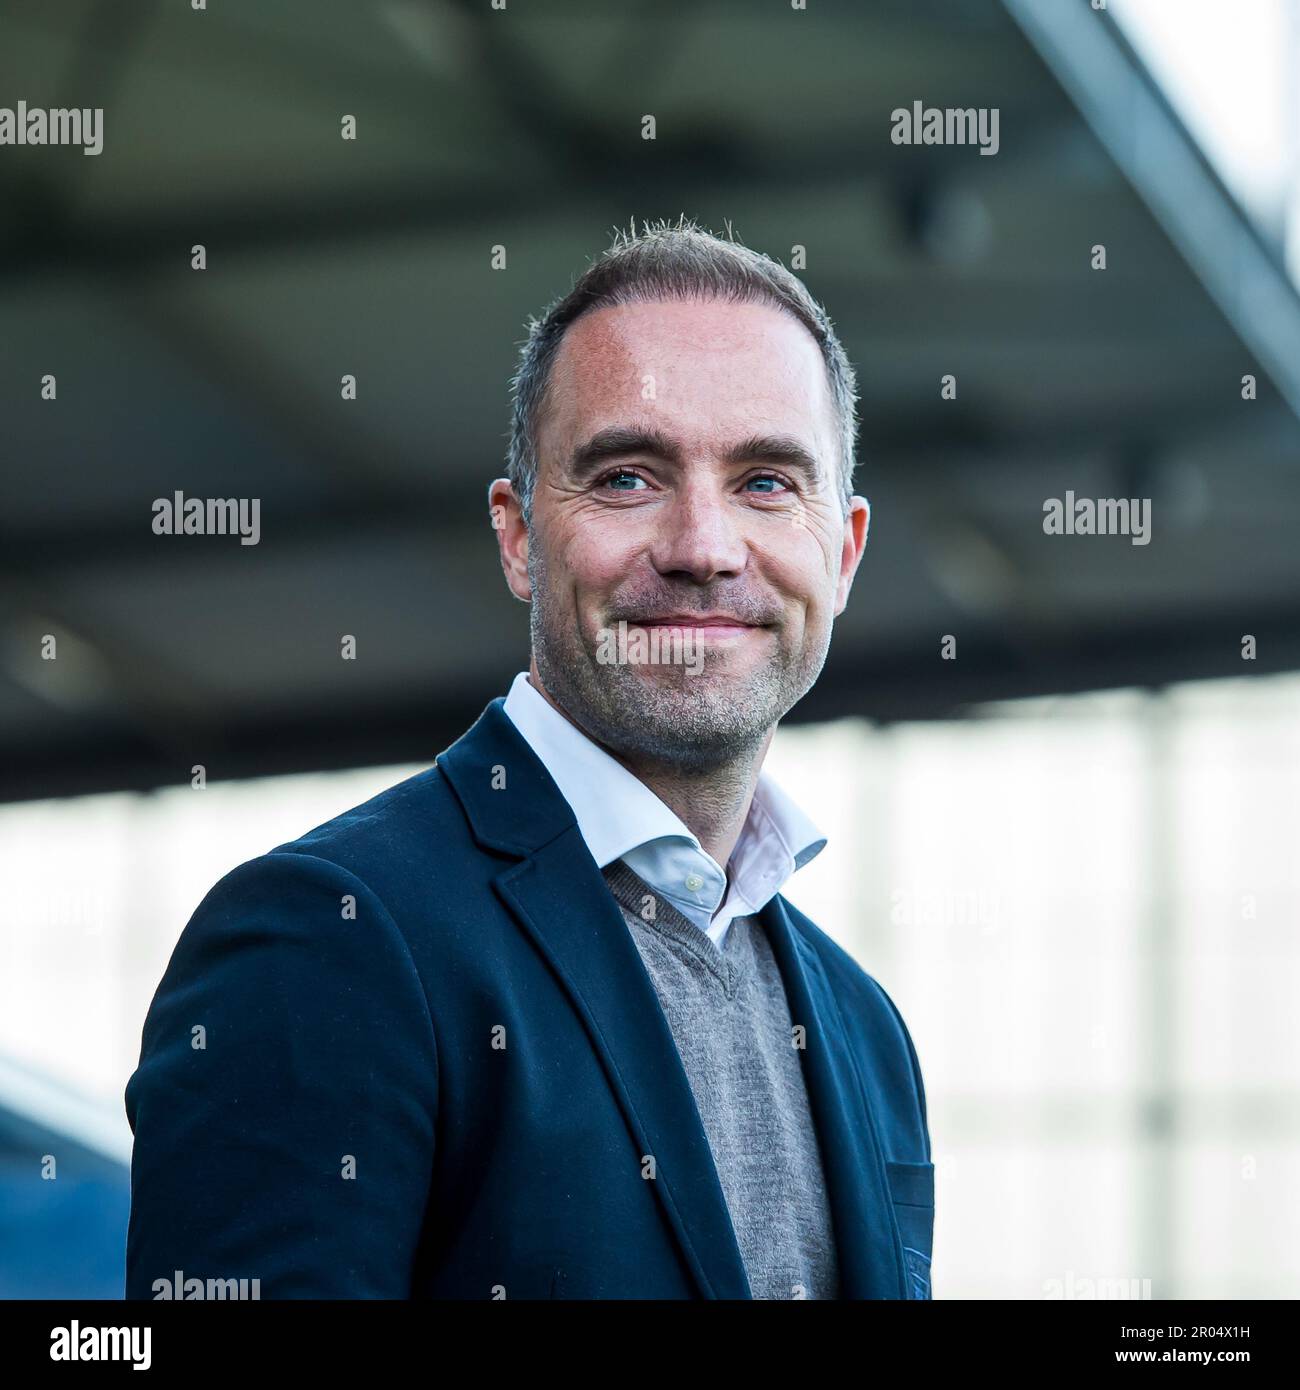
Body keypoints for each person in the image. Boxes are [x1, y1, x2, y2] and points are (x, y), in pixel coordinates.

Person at [125, 217, 933, 1300]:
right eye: (627, 477)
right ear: (517, 536)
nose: (701, 546)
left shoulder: (864, 1031)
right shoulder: (333, 940)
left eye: (767, 483)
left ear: (842, 553)